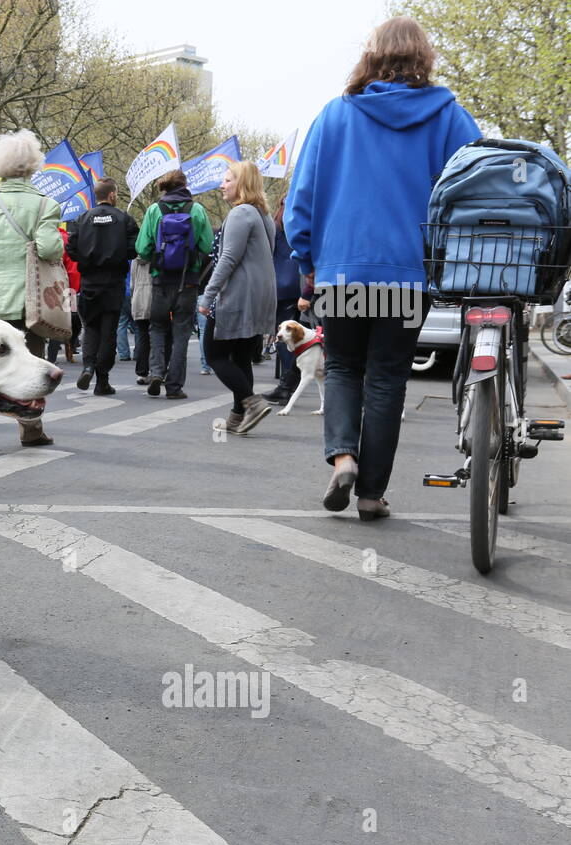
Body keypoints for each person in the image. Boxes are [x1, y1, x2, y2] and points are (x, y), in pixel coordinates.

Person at [286, 15, 480, 519]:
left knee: (345, 369)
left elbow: (300, 200)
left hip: (342, 273)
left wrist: (307, 259)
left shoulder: (334, 115)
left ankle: (343, 458)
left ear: (370, 56)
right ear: (424, 58)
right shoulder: (449, 118)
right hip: (407, 275)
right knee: (388, 381)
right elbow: (478, 186)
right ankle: (372, 494)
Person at [0, 129, 64, 451]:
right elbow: (50, 249)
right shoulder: (45, 205)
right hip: (26, 302)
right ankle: (31, 431)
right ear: (34, 165)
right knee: (31, 370)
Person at [197, 161, 278, 434]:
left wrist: (207, 296)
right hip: (261, 294)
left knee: (215, 354)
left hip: (238, 295)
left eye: (228, 180)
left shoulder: (241, 213)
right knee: (242, 357)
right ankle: (237, 415)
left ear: (241, 184)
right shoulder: (263, 215)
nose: (222, 185)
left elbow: (228, 259)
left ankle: (252, 403)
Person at [136, 169, 213, 396]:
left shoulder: (154, 210)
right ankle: (174, 386)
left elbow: (142, 248)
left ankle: (156, 371)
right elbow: (208, 245)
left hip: (160, 280)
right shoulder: (197, 210)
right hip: (188, 281)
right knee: (181, 332)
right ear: (184, 185)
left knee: (157, 328)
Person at [66, 177, 139, 396]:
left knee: (91, 329)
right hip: (113, 283)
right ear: (113, 194)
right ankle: (102, 380)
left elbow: (70, 248)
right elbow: (134, 248)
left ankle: (88, 366)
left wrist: (86, 260)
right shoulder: (124, 219)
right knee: (109, 333)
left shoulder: (82, 219)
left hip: (89, 282)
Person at [263, 191, 304, 405]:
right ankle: (289, 384)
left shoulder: (276, 223)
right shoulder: (304, 219)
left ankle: (286, 386)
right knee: (300, 337)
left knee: (282, 336)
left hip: (281, 285)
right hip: (302, 283)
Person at [45, 221, 80, 364]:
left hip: (41, 287)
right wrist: (73, 291)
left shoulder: (34, 237)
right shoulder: (64, 239)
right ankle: (60, 355)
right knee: (64, 321)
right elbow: (73, 270)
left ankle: (45, 357)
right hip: (65, 289)